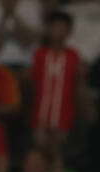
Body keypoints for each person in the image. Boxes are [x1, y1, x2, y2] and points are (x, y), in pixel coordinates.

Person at [30, 11, 83, 145]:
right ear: (48, 29)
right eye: (55, 26)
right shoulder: (39, 55)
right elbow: (33, 84)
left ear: (69, 31)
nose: (58, 31)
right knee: (40, 150)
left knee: (57, 153)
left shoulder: (73, 56)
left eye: (62, 27)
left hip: (64, 116)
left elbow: (77, 87)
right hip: (39, 115)